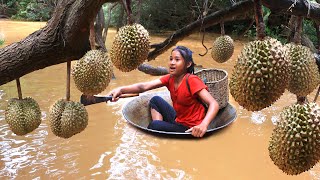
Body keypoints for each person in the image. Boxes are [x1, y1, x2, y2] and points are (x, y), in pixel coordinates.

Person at [108, 46, 219, 138]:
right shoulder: (170, 78)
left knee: (154, 125)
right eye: (171, 59)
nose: (172, 63)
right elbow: (144, 86)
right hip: (179, 120)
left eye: (177, 59)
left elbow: (214, 104)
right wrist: (121, 89)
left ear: (188, 64)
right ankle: (162, 131)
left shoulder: (191, 80)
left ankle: (159, 129)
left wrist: (203, 125)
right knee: (155, 100)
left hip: (191, 128)